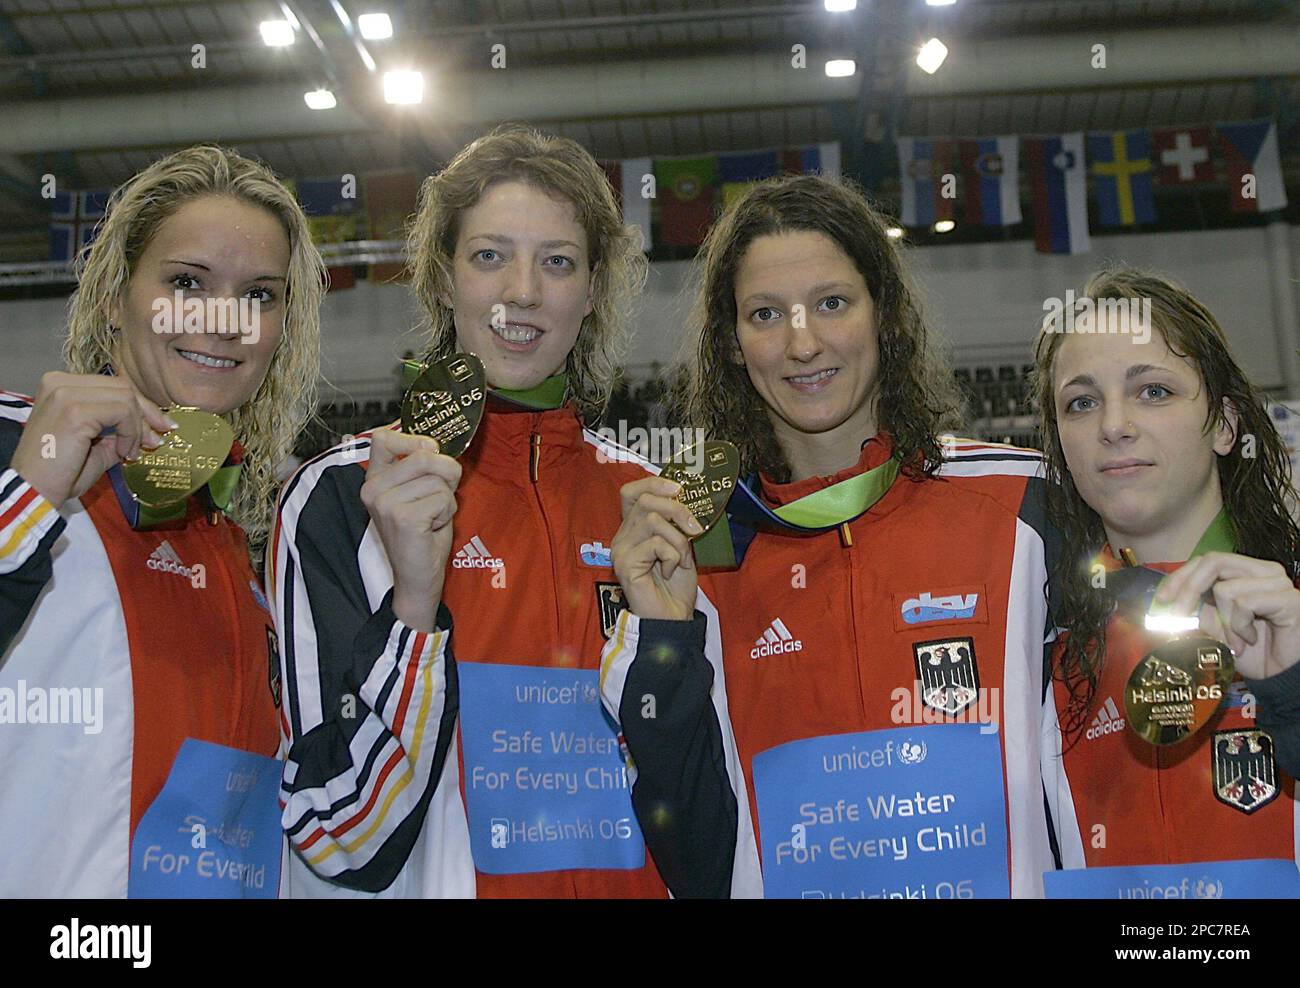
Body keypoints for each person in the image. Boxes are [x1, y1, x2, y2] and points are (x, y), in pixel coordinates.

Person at [598, 173, 1059, 898]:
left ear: (886, 315)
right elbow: (690, 845)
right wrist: (663, 638)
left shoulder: (1022, 504)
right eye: (765, 314)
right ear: (730, 343)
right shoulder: (702, 553)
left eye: (832, 303)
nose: (802, 343)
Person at [272, 124, 682, 897]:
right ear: (443, 277)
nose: (521, 293)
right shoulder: (339, 497)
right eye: (489, 256)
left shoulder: (651, 506)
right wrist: (414, 615)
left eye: (556, 262)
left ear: (592, 291)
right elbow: (336, 836)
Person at [0, 145, 324, 896]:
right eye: (186, 282)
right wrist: (28, 494)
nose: (221, 321)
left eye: (259, 296)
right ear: (115, 296)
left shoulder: (237, 536)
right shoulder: (16, 446)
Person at [1033, 267, 1300, 892]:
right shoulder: (1032, 655)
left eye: (1153, 391)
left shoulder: (1293, 620)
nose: (1114, 425)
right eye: (1081, 401)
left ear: (1227, 425)